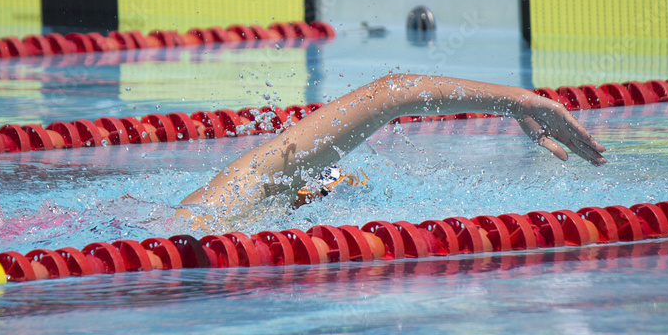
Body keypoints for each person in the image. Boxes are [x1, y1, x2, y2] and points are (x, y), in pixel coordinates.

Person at [176, 74, 606, 228]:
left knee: (344, 181)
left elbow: (390, 94)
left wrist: (518, 102)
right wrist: (519, 101)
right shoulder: (219, 206)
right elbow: (389, 94)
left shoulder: (226, 200)